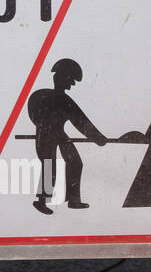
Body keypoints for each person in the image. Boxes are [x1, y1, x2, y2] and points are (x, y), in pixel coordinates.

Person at [26, 58, 107, 214]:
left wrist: (98, 138)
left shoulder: (57, 98)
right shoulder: (51, 98)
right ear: (63, 78)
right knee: (49, 165)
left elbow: (81, 122)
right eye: (71, 79)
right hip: (45, 134)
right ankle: (42, 201)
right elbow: (82, 123)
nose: (73, 84)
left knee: (75, 162)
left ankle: (73, 200)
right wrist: (98, 139)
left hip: (58, 134)